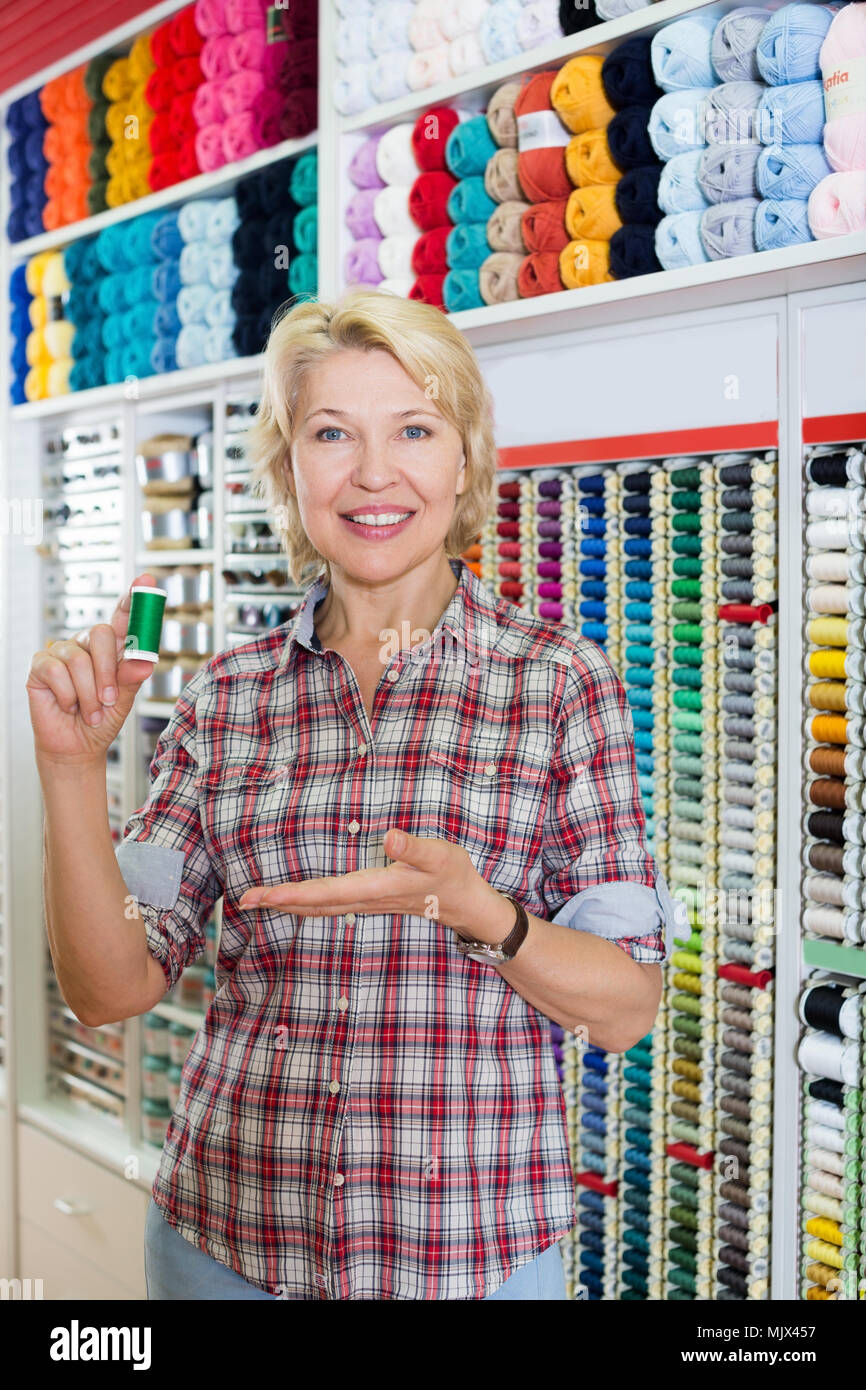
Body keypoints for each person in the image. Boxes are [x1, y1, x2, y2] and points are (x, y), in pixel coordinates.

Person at [27, 287, 680, 1301]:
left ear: (462, 458)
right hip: (225, 1251)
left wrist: (482, 913)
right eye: (331, 434)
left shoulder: (558, 684)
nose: (373, 473)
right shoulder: (228, 698)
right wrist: (71, 772)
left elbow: (626, 1003)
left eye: (412, 430)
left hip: (471, 1261)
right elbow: (111, 987)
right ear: (289, 470)